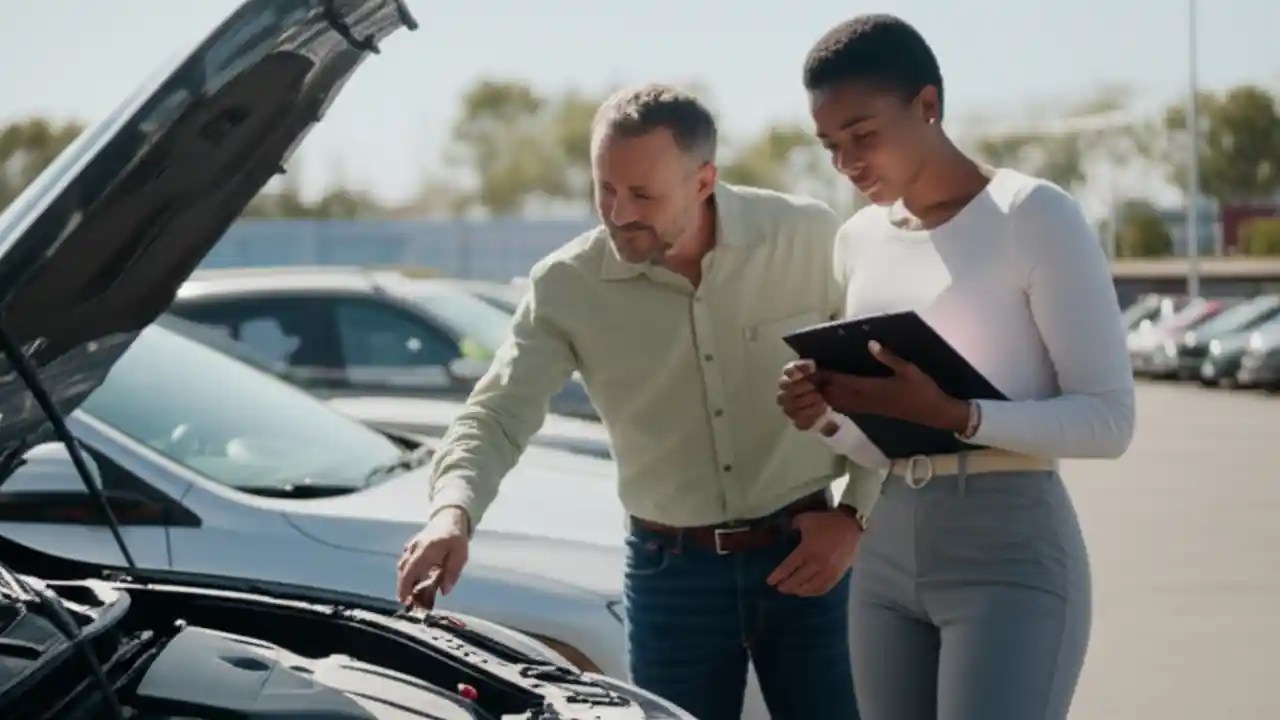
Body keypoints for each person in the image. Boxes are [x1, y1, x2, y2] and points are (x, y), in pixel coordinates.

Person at [396, 83, 876, 720]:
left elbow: (878, 381)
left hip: (811, 557)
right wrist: (451, 513)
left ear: (704, 180)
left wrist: (855, 516)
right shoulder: (566, 285)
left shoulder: (809, 237)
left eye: (642, 195)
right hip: (670, 580)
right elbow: (497, 413)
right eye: (604, 189)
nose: (618, 212)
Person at [776, 14, 1136, 720]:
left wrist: (957, 415)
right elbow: (886, 442)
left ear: (929, 105)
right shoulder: (858, 240)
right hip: (884, 556)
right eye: (829, 146)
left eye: (863, 135)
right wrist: (826, 419)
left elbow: (1110, 421)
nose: (846, 163)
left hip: (1009, 555)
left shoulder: (1033, 214)